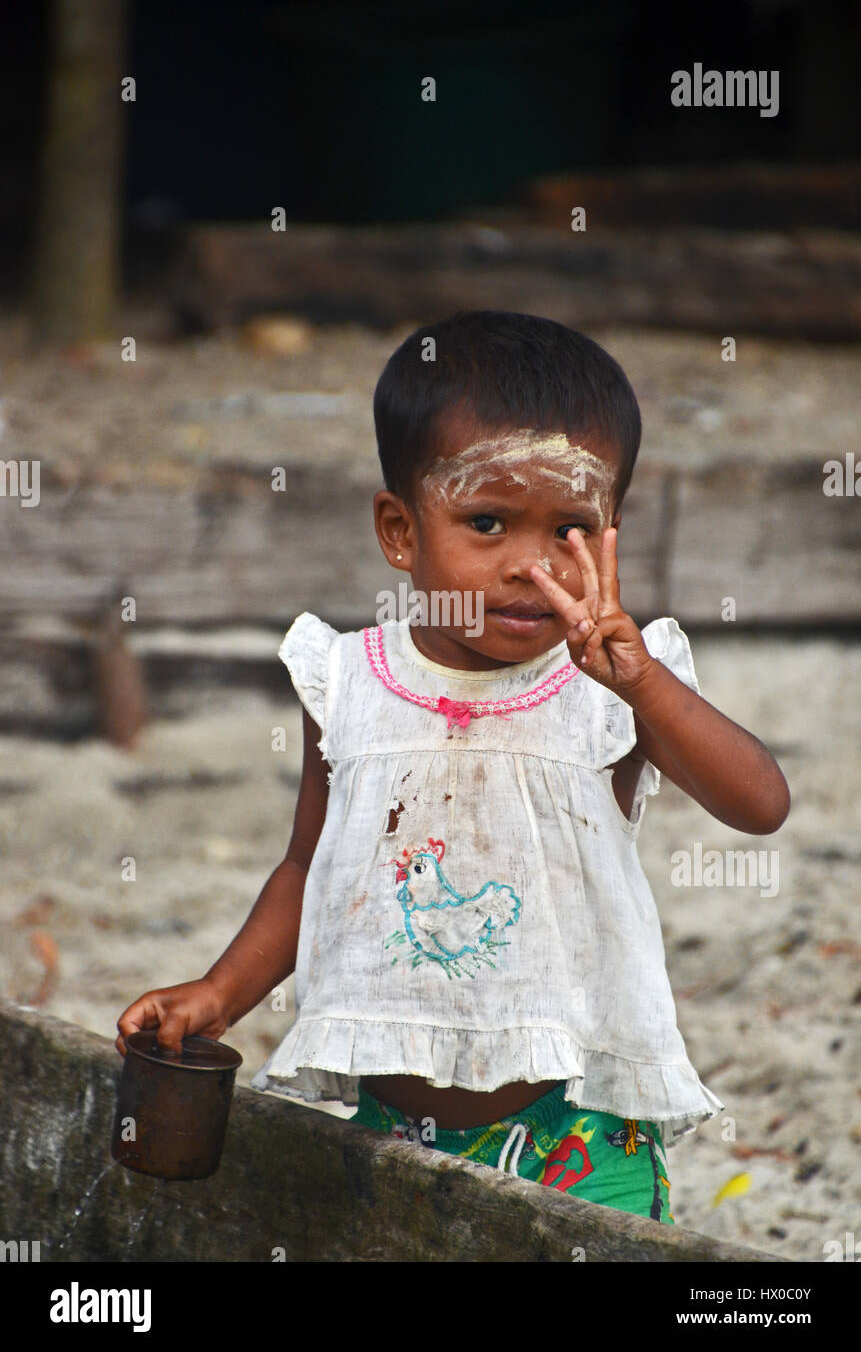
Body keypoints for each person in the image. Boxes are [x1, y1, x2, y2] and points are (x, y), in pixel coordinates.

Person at [116, 310, 790, 1225]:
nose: (531, 566)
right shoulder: (348, 685)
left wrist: (643, 686)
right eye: (486, 521)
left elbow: (759, 805)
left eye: (570, 531)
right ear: (400, 532)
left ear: (612, 535)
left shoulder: (611, 688)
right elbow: (305, 872)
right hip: (390, 1133)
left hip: (579, 1136)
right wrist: (219, 994)